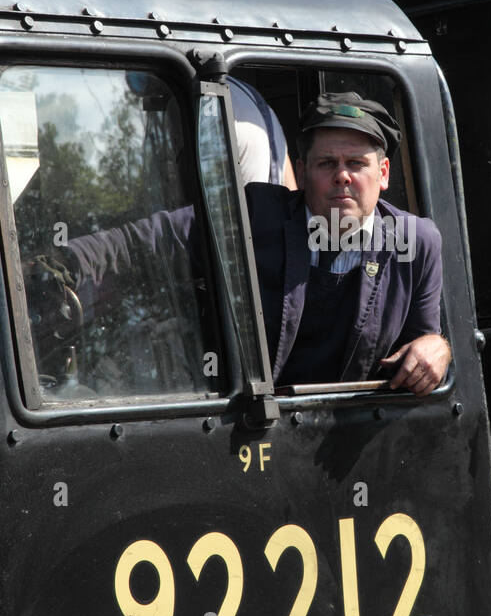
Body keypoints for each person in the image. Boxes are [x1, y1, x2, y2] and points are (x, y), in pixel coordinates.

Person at [50, 91, 450, 396]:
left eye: (356, 164)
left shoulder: (415, 242)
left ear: (382, 174)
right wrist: (62, 263)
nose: (342, 176)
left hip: (353, 448)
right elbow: (148, 241)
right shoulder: (258, 215)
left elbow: (423, 343)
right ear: (305, 172)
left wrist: (438, 349)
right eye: (327, 164)